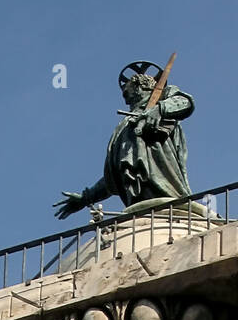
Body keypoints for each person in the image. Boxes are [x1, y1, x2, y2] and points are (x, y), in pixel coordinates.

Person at [54, 61, 195, 219]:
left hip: (167, 195)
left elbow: (185, 102)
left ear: (140, 86)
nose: (126, 98)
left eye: (126, 91)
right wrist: (86, 197)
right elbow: (118, 173)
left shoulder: (163, 100)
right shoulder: (125, 125)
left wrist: (159, 110)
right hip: (136, 202)